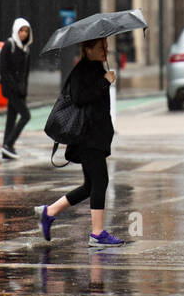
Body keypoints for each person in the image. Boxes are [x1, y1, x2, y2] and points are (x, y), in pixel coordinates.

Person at [35, 36, 124, 247]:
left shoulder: (96, 67)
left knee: (90, 185)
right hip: (88, 136)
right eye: (101, 47)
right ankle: (97, 233)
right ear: (88, 48)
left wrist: (104, 79)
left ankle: (50, 212)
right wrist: (105, 82)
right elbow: (80, 98)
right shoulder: (83, 70)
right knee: (100, 182)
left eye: (106, 47)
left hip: (95, 135)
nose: (105, 50)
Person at [0, 17, 33, 159]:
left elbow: (25, 73)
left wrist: (24, 89)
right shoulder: (9, 44)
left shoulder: (26, 49)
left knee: (11, 118)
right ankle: (9, 143)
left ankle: (6, 148)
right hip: (10, 89)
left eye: (26, 31)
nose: (23, 33)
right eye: (21, 30)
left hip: (19, 90)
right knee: (26, 115)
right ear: (15, 30)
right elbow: (3, 68)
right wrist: (14, 85)